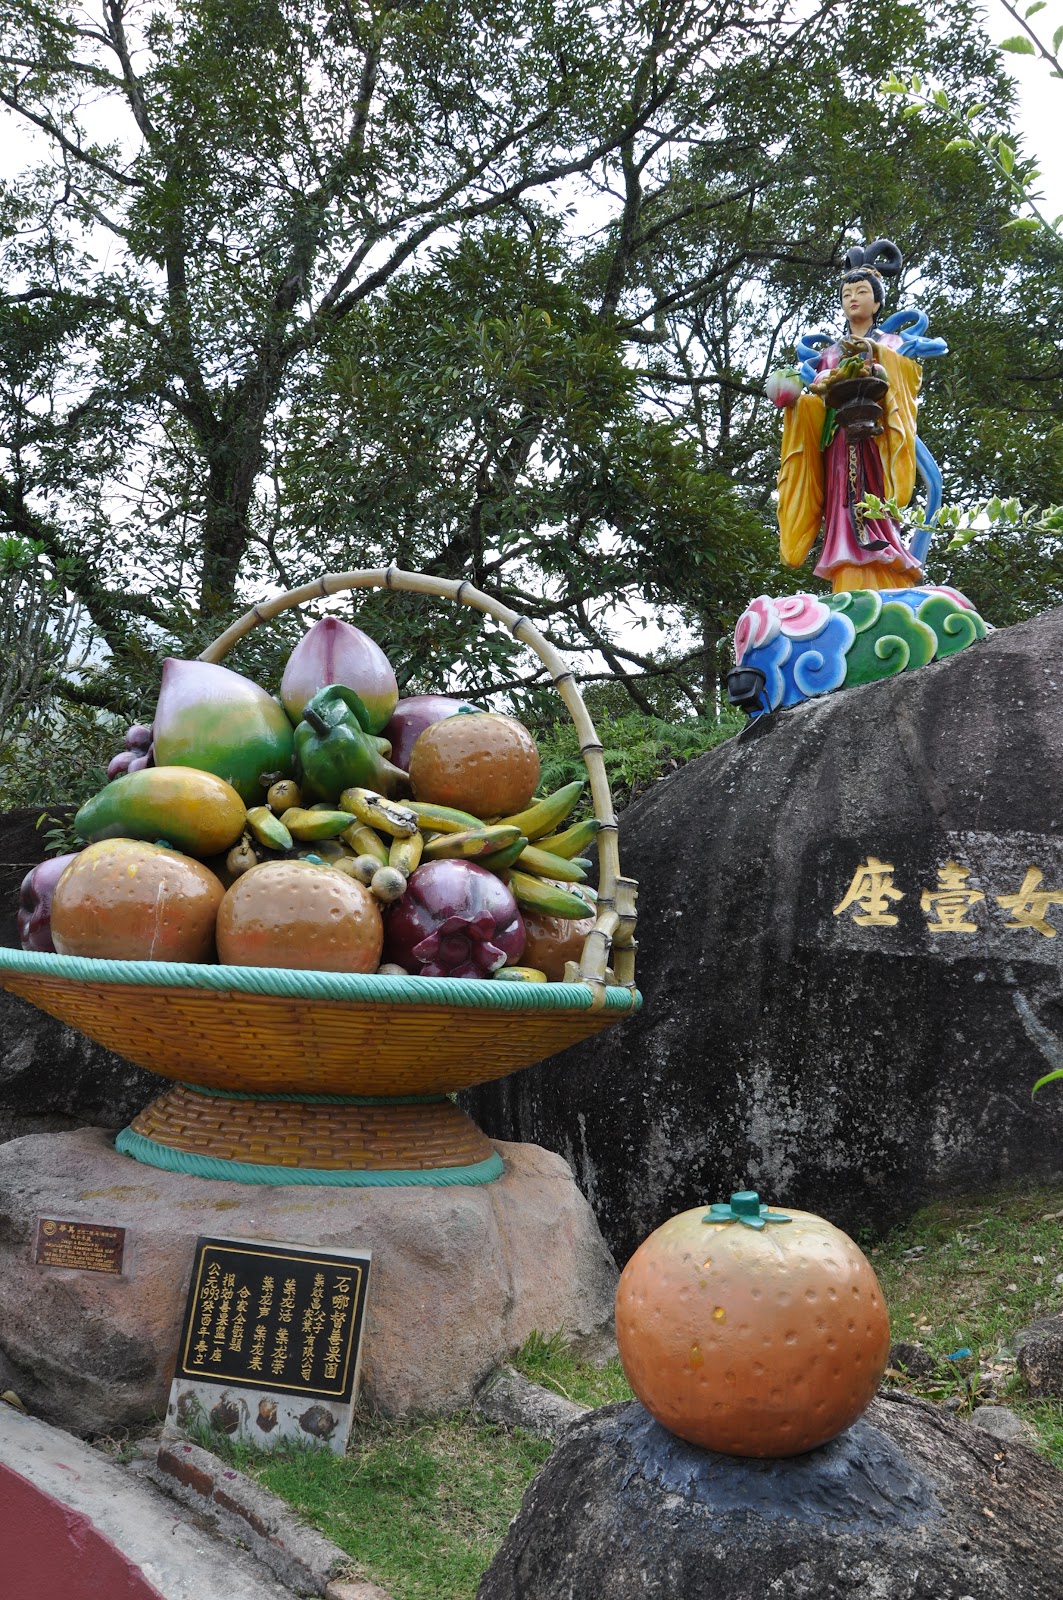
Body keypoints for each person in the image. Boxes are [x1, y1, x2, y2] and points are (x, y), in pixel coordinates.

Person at [776, 240, 941, 593]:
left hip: (878, 436)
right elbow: (817, 394)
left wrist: (875, 352)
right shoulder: (830, 352)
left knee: (879, 504)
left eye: (862, 291)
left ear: (877, 301)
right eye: (847, 292)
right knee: (844, 503)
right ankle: (847, 564)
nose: (853, 298)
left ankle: (888, 563)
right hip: (839, 440)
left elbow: (910, 375)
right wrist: (799, 401)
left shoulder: (892, 343)